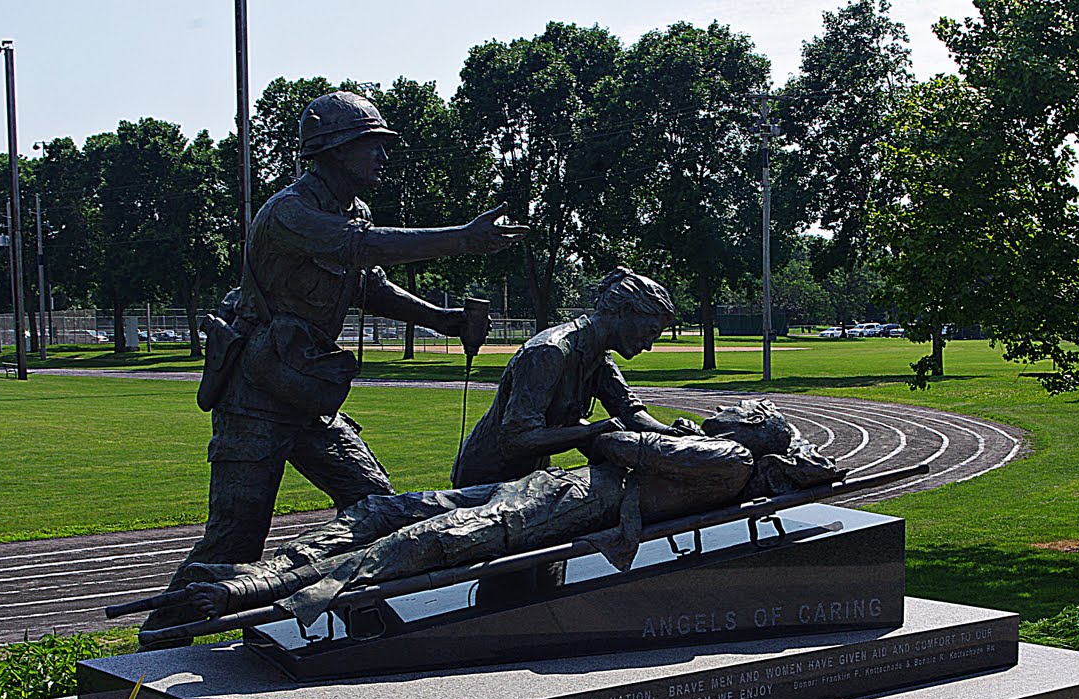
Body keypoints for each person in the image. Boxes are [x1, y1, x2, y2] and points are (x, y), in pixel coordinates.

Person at [142, 90, 528, 646]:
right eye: (371, 145)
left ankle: (361, 619)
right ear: (334, 150)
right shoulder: (292, 213)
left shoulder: (352, 210)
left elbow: (366, 280)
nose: (382, 156)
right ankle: (154, 648)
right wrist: (462, 239)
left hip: (307, 397)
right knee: (235, 540)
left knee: (373, 504)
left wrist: (440, 320)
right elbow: (359, 249)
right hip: (255, 398)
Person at [164, 399, 840, 630]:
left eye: (733, 409)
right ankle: (271, 569)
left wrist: (632, 430)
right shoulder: (725, 453)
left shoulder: (726, 453)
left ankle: (258, 585)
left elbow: (615, 442)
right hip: (550, 491)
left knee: (424, 537)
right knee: (386, 507)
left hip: (569, 503)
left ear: (751, 426)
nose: (720, 408)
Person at [451, 267, 687, 489]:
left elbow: (628, 410)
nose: (648, 345)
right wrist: (591, 431)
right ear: (625, 311)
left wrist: (671, 433)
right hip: (486, 479)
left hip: (528, 476)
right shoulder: (549, 352)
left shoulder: (599, 356)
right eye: (651, 332)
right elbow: (517, 438)